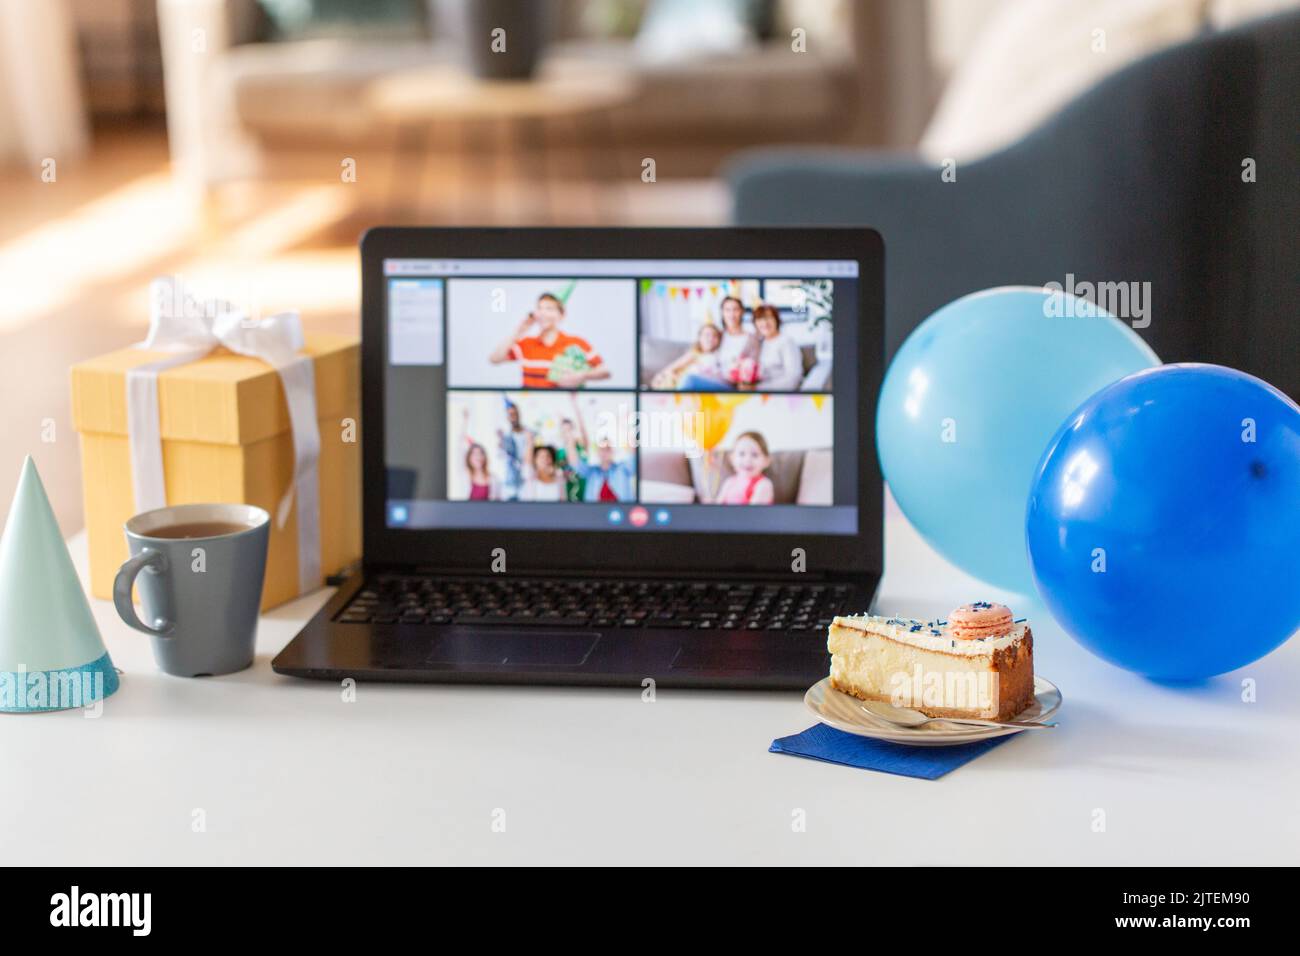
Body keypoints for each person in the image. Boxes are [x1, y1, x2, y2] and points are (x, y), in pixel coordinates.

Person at [489, 292, 611, 389]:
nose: (543, 313)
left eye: (549, 309)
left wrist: (580, 376)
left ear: (561, 315)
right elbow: (494, 359)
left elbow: (605, 371)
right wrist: (518, 332)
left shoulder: (576, 343)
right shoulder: (526, 344)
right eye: (540, 308)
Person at [655, 322, 726, 391]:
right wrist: (661, 376)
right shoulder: (695, 354)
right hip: (694, 385)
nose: (711, 339)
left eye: (714, 335)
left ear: (719, 339)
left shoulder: (720, 353)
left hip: (716, 384)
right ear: (700, 338)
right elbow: (671, 368)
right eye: (707, 335)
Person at [752, 304, 804, 391]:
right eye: (760, 319)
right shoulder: (760, 343)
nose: (765, 323)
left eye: (769, 318)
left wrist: (757, 388)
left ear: (777, 320)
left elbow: (794, 377)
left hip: (780, 395)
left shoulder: (786, 342)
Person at [713, 431, 775, 505]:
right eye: (742, 454)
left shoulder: (763, 485)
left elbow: (752, 513)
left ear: (766, 461)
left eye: (755, 455)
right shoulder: (729, 482)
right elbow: (717, 507)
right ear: (732, 458)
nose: (748, 459)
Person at [496, 400, 533, 501]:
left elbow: (530, 460)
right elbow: (500, 457)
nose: (513, 416)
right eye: (510, 414)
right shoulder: (505, 436)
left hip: (525, 482)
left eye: (515, 413)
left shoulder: (528, 433)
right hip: (508, 484)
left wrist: (529, 442)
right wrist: (500, 442)